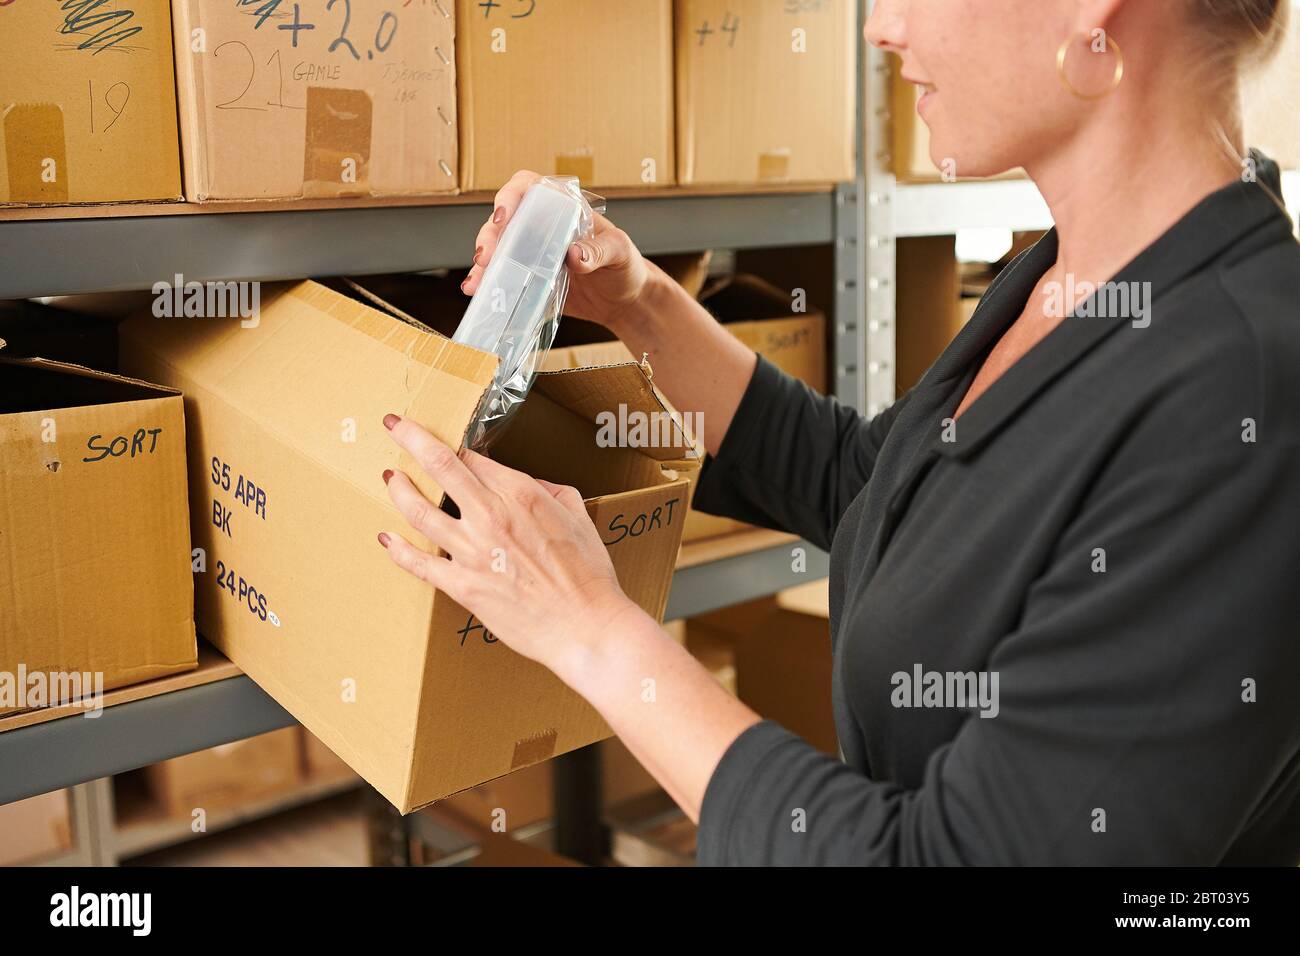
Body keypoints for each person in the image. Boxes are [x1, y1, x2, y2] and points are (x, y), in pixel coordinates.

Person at [375, 0, 1300, 865]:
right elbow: (869, 482)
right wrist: (641, 304)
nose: (883, 28)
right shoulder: (1068, 274)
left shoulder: (1240, 394)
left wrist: (591, 632)